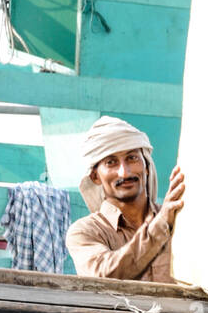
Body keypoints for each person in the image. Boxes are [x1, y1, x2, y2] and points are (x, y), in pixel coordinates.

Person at [65, 115, 185, 283]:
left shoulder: (180, 220)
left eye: (132, 158)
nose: (125, 172)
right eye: (111, 162)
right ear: (95, 177)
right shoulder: (86, 232)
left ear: (147, 166)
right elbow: (104, 278)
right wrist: (160, 227)